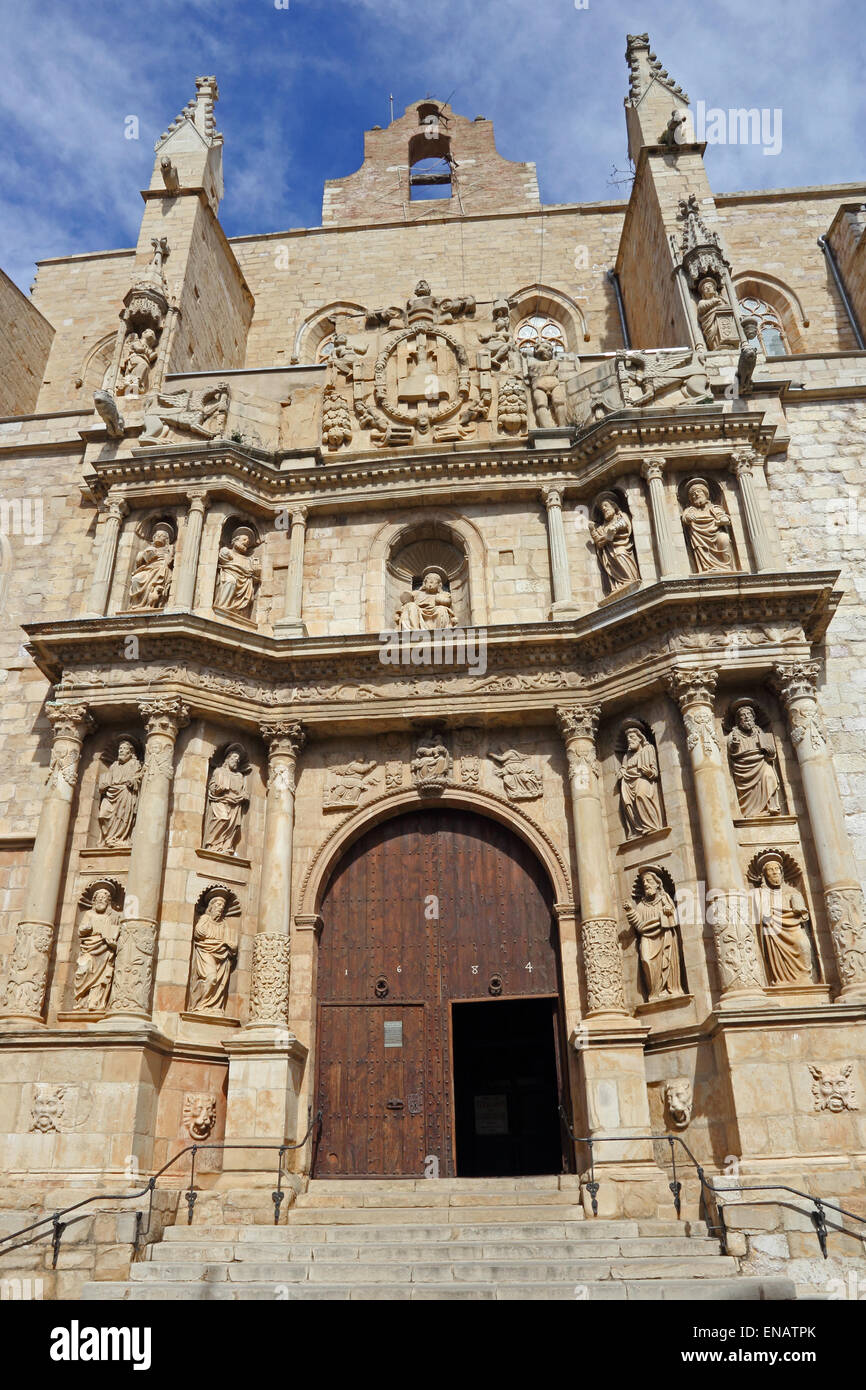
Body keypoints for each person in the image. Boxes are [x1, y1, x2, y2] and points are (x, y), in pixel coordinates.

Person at [188, 891, 239, 1013]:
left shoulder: (224, 924)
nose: (220, 908)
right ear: (211, 906)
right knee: (211, 978)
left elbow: (231, 942)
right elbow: (199, 933)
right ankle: (200, 1005)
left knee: (219, 983)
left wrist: (231, 945)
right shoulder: (205, 919)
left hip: (222, 955)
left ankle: (213, 1006)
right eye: (218, 905)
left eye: (222, 905)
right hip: (206, 951)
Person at [73, 886, 120, 1010]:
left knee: (103, 976)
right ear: (94, 901)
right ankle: (82, 1000)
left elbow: (116, 931)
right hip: (89, 946)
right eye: (98, 898)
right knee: (84, 970)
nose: (101, 900)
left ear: (108, 902)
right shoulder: (89, 914)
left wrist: (112, 940)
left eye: (104, 898)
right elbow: (81, 930)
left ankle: (95, 1001)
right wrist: (86, 928)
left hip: (105, 947)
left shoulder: (113, 916)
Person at [590, 498, 640, 593]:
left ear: (613, 506)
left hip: (621, 547)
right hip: (608, 553)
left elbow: (625, 522)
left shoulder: (621, 516)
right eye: (602, 508)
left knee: (620, 554)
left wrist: (615, 527)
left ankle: (630, 579)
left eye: (606, 506)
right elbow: (599, 542)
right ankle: (619, 585)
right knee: (610, 563)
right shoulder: (602, 527)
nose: (604, 508)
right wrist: (593, 531)